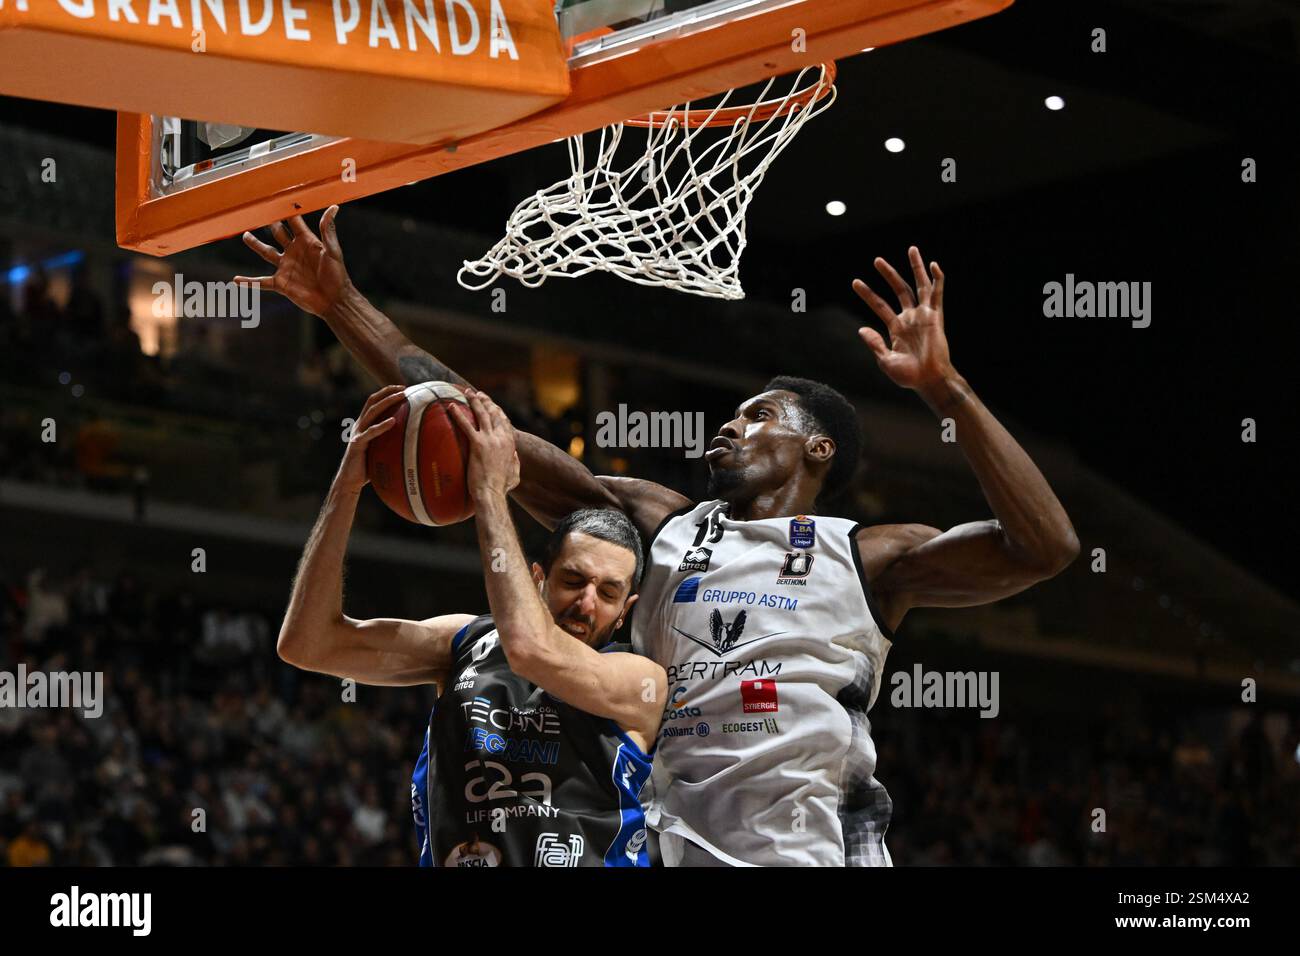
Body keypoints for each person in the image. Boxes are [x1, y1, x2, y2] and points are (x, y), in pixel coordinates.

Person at [242, 211, 1079, 866]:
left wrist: (949, 391)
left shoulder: (870, 556)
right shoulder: (664, 523)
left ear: (818, 449)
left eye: (760, 416)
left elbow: (1043, 548)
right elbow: (478, 425)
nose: (730, 422)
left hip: (808, 851)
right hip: (665, 848)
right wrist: (340, 305)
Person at [277, 386, 666, 866]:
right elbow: (308, 643)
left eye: (608, 593)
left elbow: (531, 650)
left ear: (625, 610)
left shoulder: (640, 681)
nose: (587, 603)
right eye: (573, 580)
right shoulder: (466, 642)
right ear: (537, 580)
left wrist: (488, 491)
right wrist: (345, 490)